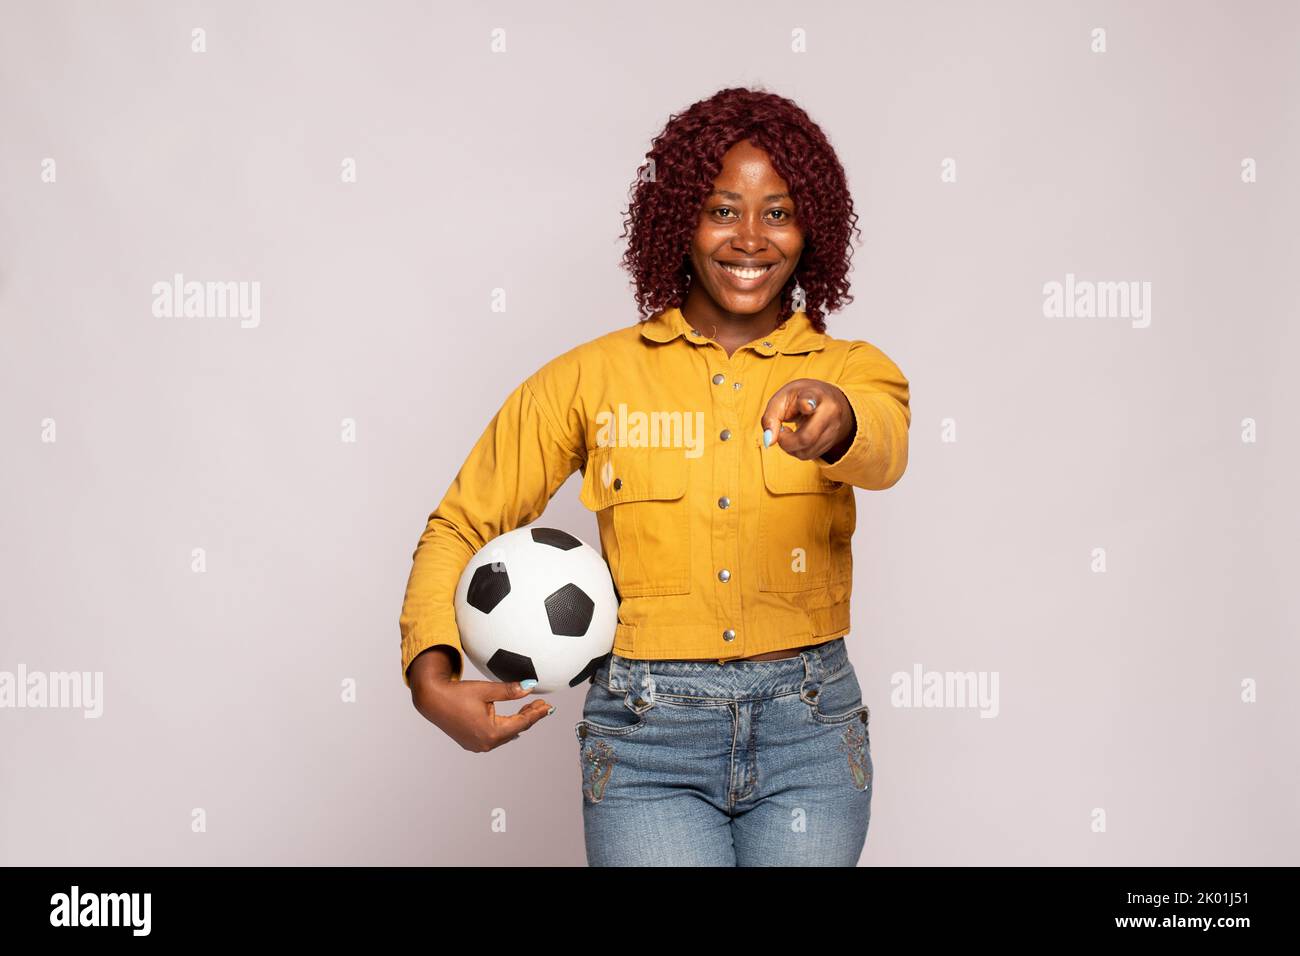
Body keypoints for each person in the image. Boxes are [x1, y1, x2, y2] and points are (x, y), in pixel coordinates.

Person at [400, 86, 911, 865]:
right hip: (647, 744)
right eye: (721, 210)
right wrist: (431, 678)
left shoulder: (852, 370)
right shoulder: (591, 378)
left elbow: (885, 444)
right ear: (678, 221)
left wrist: (838, 418)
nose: (750, 238)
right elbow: (460, 524)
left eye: (778, 212)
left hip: (810, 735)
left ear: (814, 229)